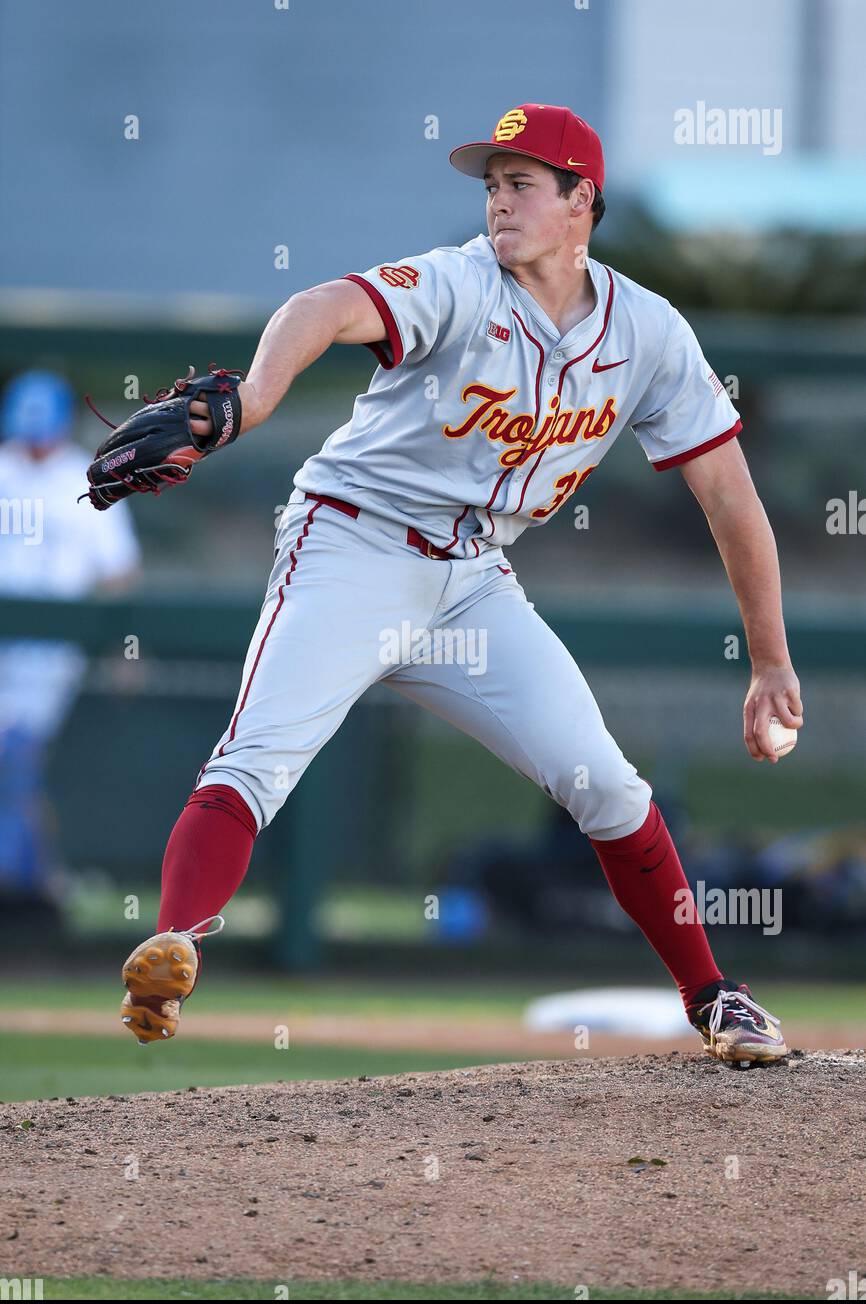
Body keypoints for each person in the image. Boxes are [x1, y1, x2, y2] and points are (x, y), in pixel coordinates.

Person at [118, 104, 803, 1064]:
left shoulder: (646, 332)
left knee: (604, 783)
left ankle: (715, 996)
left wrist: (768, 659)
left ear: (582, 202)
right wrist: (250, 402)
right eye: (490, 183)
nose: (497, 202)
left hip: (475, 580)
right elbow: (323, 306)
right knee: (258, 758)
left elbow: (731, 498)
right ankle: (173, 943)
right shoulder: (457, 282)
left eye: (521, 183)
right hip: (353, 545)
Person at [0, 369, 140, 909]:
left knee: (17, 756)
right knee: (15, 766)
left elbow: (119, 572)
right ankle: (42, 884)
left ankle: (31, 888)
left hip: (49, 649)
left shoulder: (87, 477)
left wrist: (123, 648)